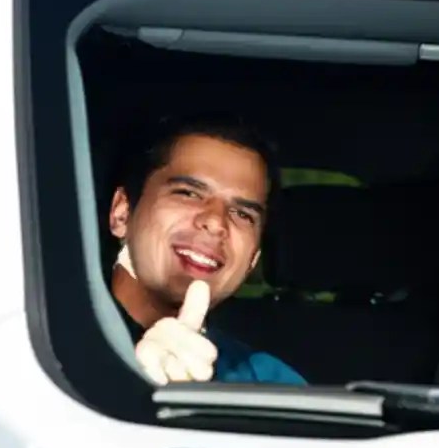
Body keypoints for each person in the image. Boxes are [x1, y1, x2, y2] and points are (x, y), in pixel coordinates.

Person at [107, 113, 305, 386]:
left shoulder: (272, 385)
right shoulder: (36, 344)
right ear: (122, 214)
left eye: (243, 214)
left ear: (252, 260)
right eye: (188, 193)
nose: (215, 223)